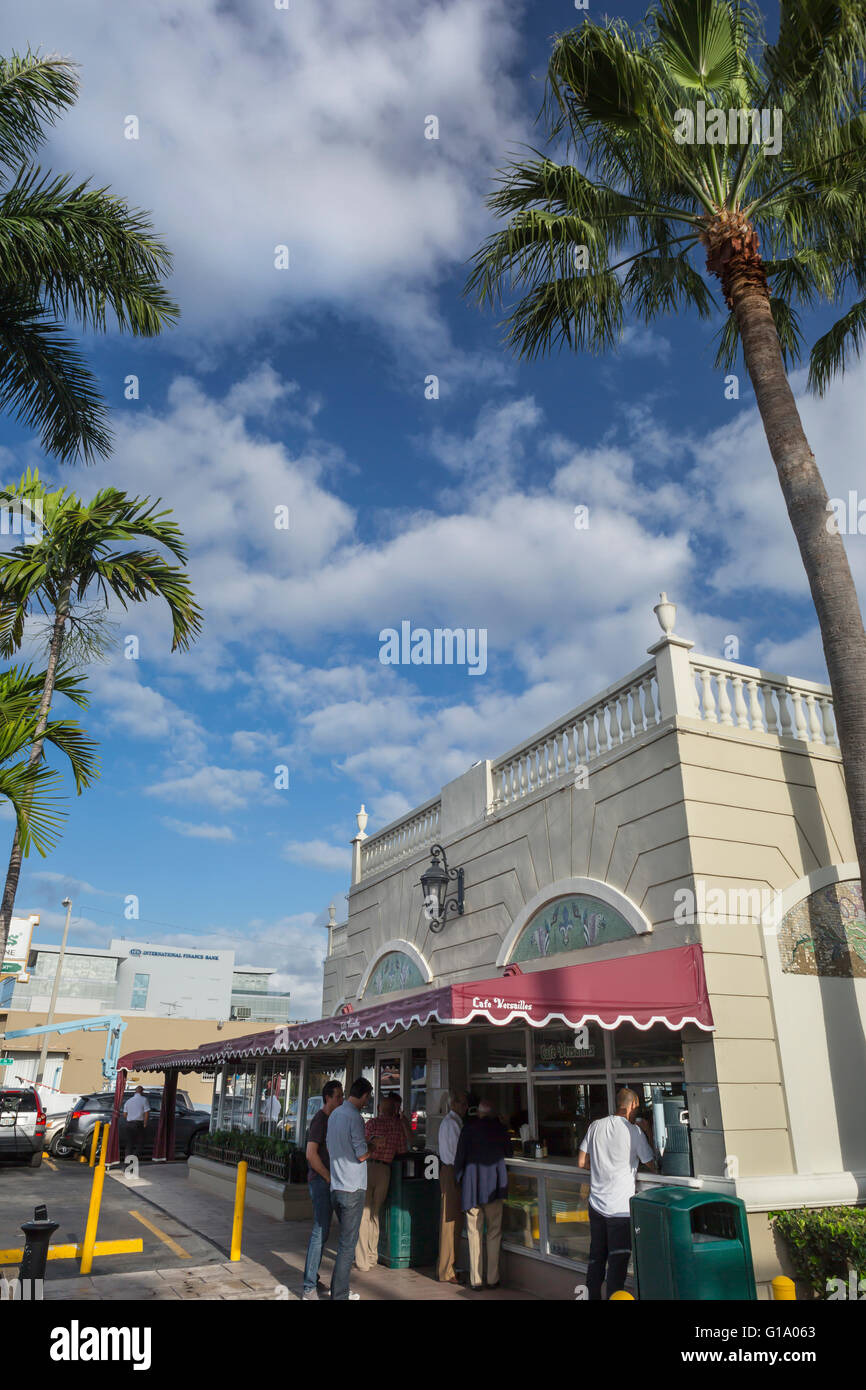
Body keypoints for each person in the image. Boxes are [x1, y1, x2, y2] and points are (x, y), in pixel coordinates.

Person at [578, 1087, 657, 1300]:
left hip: (596, 1205)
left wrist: (601, 1168)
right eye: (637, 1108)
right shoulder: (634, 1132)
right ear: (632, 1105)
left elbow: (582, 1162)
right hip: (621, 1210)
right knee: (618, 1263)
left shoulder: (596, 1125)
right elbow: (652, 1165)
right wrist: (648, 1130)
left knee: (596, 1258)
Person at [454, 1098, 511, 1290]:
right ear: (492, 1113)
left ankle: (476, 1280)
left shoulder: (468, 1128)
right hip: (494, 1187)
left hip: (472, 1186)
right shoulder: (500, 1129)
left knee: (474, 1233)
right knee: (494, 1232)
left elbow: (459, 1157)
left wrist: (459, 1178)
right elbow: (509, 1152)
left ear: (478, 1112)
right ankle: (493, 1278)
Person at [326, 1077, 374, 1300]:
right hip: (352, 1187)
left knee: (343, 1244)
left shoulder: (335, 1114)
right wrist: (373, 1145)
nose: (367, 1102)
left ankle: (338, 1291)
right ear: (364, 1096)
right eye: (368, 1098)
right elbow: (362, 1154)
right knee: (347, 1247)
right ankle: (340, 1295)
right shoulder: (355, 1117)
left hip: (336, 1185)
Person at [355, 1094, 408, 1271]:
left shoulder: (371, 1124)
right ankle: (372, 1255)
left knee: (363, 1214)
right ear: (394, 1110)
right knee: (375, 1214)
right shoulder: (397, 1127)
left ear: (379, 1109)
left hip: (368, 1168)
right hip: (385, 1170)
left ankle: (362, 1261)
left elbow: (361, 1147)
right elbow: (402, 1150)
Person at [301, 1080, 344, 1301]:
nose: (341, 1100)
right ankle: (308, 1287)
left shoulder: (333, 1120)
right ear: (327, 1097)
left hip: (329, 1181)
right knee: (320, 1231)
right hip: (320, 1182)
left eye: (342, 1096)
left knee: (324, 1231)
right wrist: (327, 1177)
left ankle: (312, 1278)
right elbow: (311, 1154)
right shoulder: (320, 1120)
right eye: (338, 1096)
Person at [437, 1091, 468, 1283]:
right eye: (463, 1104)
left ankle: (449, 1266)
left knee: (453, 1221)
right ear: (455, 1104)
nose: (466, 1108)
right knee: (450, 1222)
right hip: (452, 1172)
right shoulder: (453, 1123)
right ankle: (447, 1269)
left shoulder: (451, 1121)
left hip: (450, 1171)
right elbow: (459, 1152)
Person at [123, 1085, 149, 1160]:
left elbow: (125, 1114)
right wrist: (145, 1123)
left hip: (129, 1124)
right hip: (138, 1123)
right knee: (141, 1143)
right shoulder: (144, 1100)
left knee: (129, 1144)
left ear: (135, 1091)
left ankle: (127, 1160)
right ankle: (133, 1158)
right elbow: (147, 1112)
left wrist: (129, 1118)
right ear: (142, 1091)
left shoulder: (128, 1101)